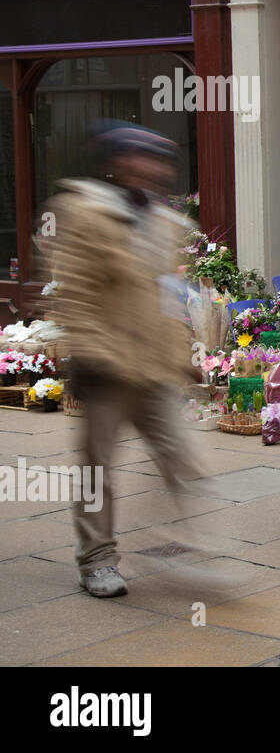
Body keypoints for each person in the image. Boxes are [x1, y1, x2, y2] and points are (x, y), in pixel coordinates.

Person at [49, 125, 204, 597]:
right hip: (106, 369)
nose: (154, 167)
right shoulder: (84, 211)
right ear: (118, 162)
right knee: (98, 469)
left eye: (160, 159)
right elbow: (73, 296)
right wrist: (97, 354)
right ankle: (96, 560)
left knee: (180, 459)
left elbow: (169, 296)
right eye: (143, 157)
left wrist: (181, 352)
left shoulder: (165, 222)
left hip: (153, 367)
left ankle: (184, 545)